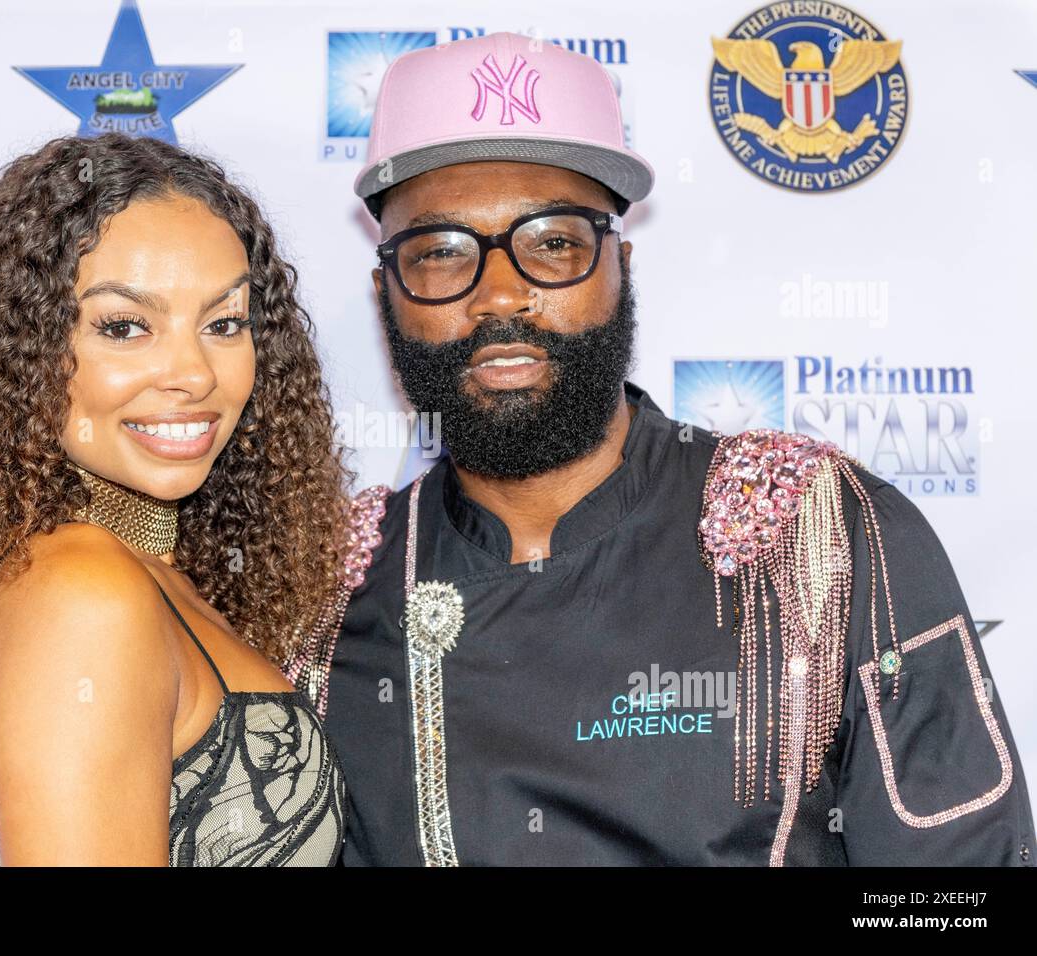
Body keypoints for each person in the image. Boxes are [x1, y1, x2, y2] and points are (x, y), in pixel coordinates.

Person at [285, 32, 1036, 865]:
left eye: (553, 242)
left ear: (621, 265)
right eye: (440, 253)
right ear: (386, 289)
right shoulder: (326, 596)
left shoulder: (820, 538)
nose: (500, 293)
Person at [0, 133, 361, 866]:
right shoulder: (81, 593)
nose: (193, 373)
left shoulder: (135, 571)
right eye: (125, 327)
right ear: (23, 352)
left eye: (224, 323)